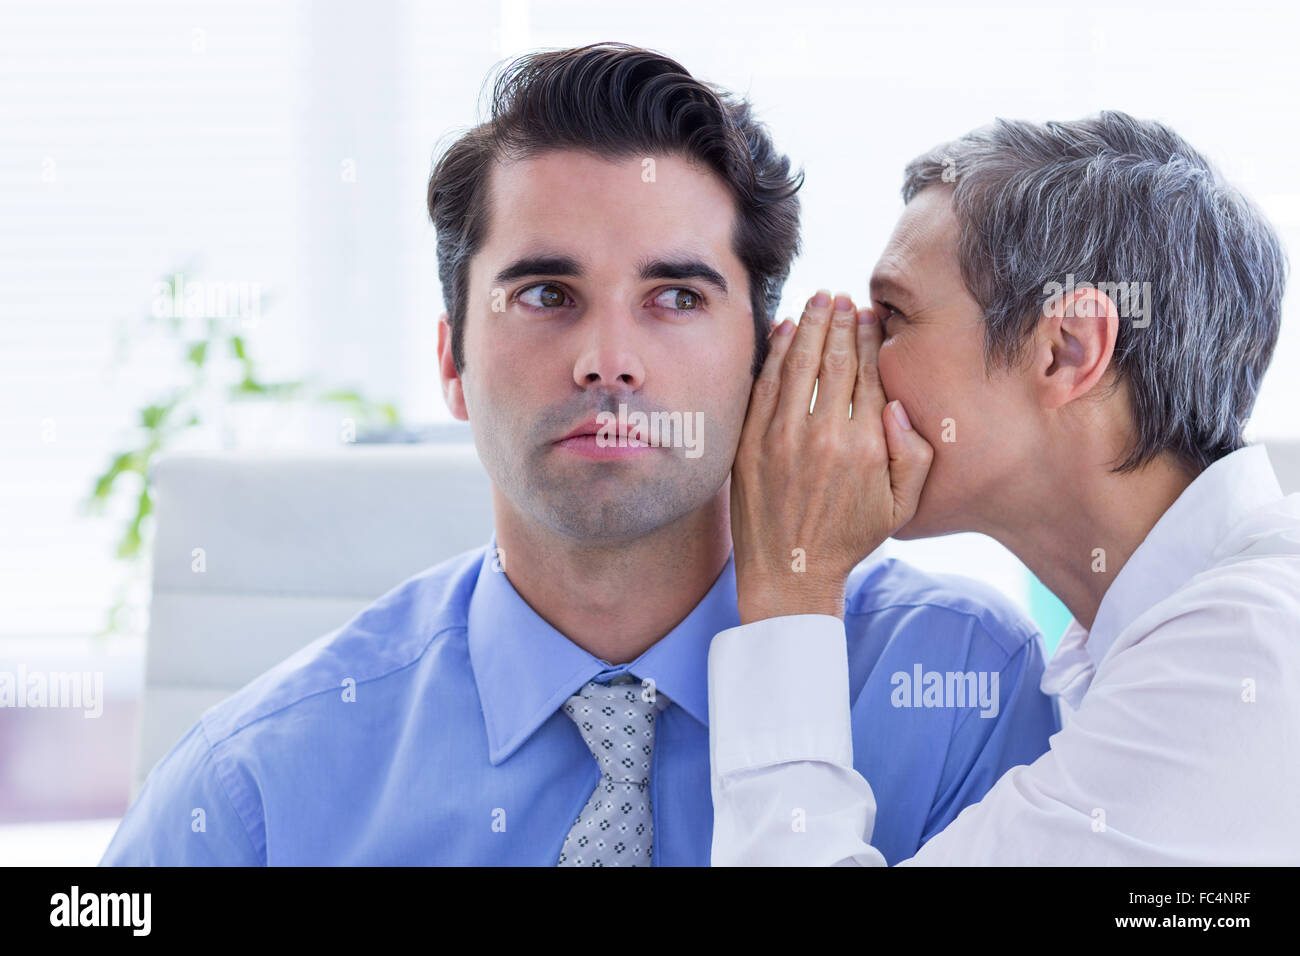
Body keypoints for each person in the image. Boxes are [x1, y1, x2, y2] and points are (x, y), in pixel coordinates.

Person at [100, 43, 1056, 867]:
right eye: (546, 294)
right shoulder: (254, 788)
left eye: (677, 298)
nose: (608, 362)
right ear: (453, 363)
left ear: (767, 358)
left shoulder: (964, 698)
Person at [709, 112, 1300, 865]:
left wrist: (791, 596)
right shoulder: (1174, 639)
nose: (849, 350)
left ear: (1066, 351)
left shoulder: (1242, 657)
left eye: (892, 314)